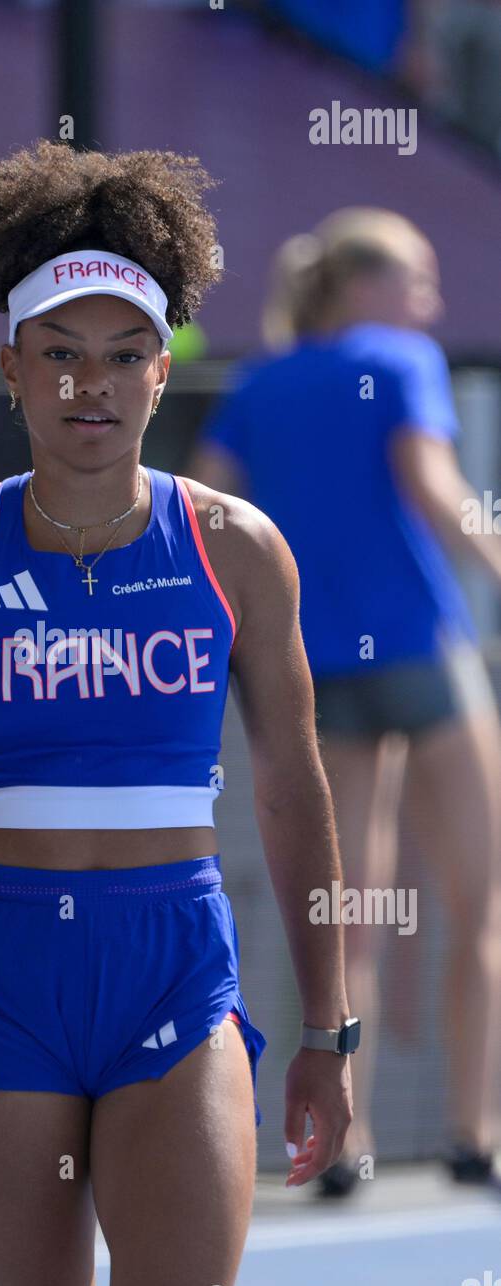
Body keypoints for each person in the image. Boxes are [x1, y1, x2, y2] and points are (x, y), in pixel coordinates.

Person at [0, 139, 357, 1286]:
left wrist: (328, 1032)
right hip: (3, 979)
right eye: (62, 357)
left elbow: (291, 789)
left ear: (162, 376)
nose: (94, 385)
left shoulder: (235, 546)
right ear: (11, 367)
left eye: (126, 357)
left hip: (172, 973)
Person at [189, 207, 501, 1197]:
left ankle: (342, 1147)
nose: (431, 302)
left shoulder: (257, 381)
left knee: (343, 913)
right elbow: (433, 485)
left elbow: (202, 506)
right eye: (416, 280)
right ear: (365, 286)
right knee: (482, 905)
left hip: (312, 670)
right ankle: (472, 1135)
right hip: (418, 651)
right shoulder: (399, 360)